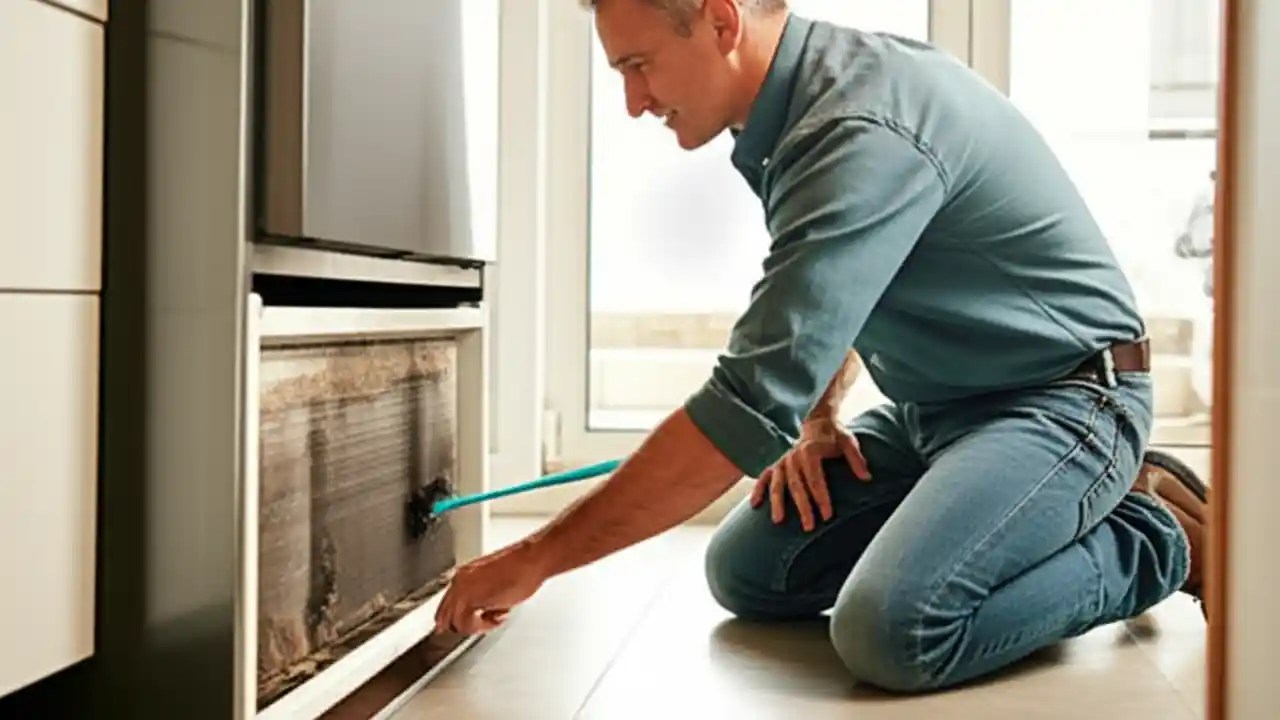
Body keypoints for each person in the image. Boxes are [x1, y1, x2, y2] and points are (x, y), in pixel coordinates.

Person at [435, 0, 1210, 693]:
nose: (634, 102)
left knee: (895, 632)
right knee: (748, 572)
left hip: (1064, 399)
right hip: (934, 410)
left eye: (638, 67)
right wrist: (818, 418)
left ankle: (1149, 534)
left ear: (721, 20)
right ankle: (1008, 508)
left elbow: (742, 410)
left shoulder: (857, 128)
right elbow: (841, 297)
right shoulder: (801, 107)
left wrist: (534, 558)